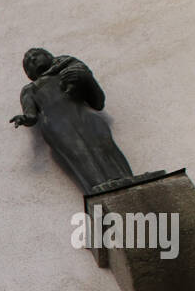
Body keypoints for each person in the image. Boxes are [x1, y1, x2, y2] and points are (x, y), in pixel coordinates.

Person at [10, 48, 132, 195]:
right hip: (58, 126)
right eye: (28, 62)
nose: (33, 60)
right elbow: (31, 115)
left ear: (48, 56)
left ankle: (126, 178)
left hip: (85, 116)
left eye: (35, 55)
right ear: (28, 73)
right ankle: (100, 186)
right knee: (81, 154)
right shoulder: (30, 89)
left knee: (105, 145)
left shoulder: (69, 72)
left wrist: (86, 78)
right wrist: (24, 119)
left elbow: (98, 103)